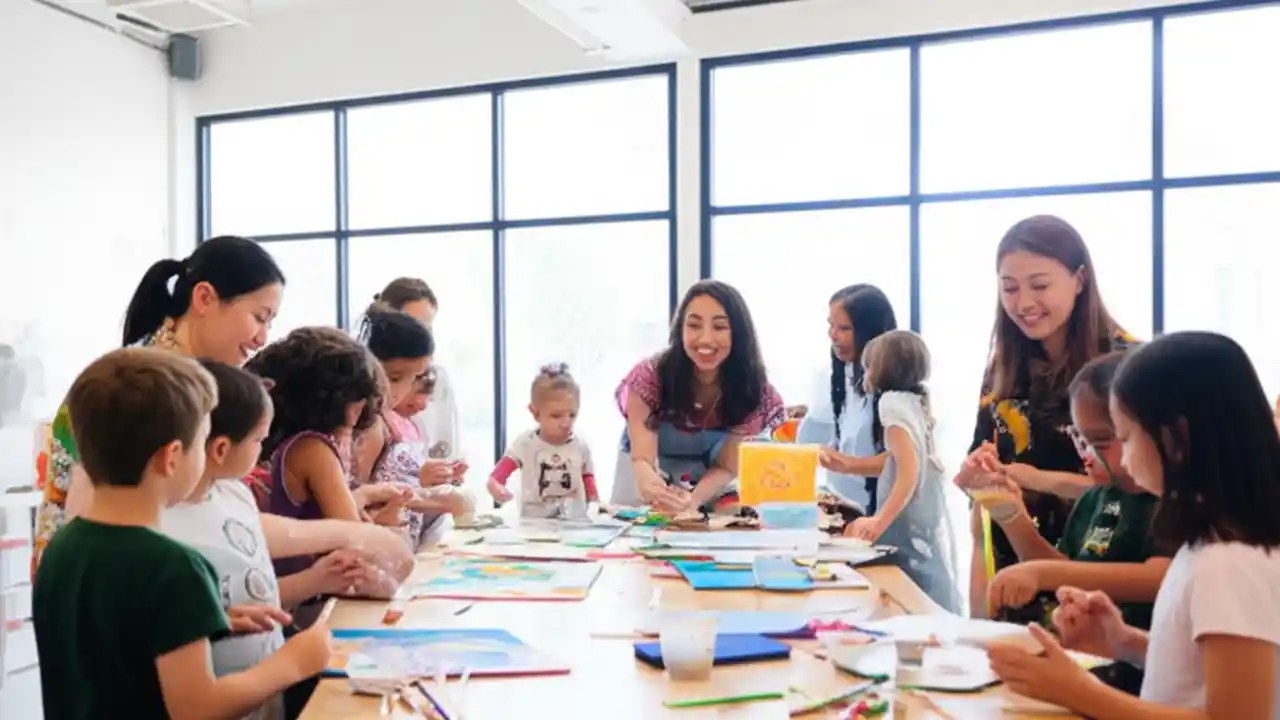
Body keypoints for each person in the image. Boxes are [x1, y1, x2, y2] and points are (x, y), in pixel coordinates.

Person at [988, 332, 1280, 719]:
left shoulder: (1231, 561)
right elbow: (1197, 675)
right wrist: (1125, 642)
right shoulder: (1212, 544)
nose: (1123, 458)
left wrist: (1077, 691)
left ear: (1176, 438)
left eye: (1125, 438)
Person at [34, 348, 331, 720]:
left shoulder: (62, 547)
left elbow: (113, 644)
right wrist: (293, 662)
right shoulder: (175, 566)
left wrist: (206, 624)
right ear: (172, 456)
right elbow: (197, 709)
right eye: (202, 442)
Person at [34, 235, 285, 570]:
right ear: (204, 298)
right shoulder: (140, 384)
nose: (263, 338)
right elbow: (89, 514)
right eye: (259, 317)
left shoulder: (182, 377)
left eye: (270, 323)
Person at [955, 215, 1136, 617]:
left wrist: (1035, 479)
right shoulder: (1003, 369)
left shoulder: (1128, 368)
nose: (1023, 304)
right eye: (1009, 288)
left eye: (1039, 286)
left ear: (1079, 280)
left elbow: (1143, 492)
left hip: (1100, 585)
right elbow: (983, 500)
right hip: (1012, 580)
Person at [980, 351, 1169, 693]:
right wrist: (1010, 514)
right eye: (1081, 440)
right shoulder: (1098, 498)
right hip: (1095, 668)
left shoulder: (1167, 504)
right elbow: (1067, 570)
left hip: (1140, 683)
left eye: (1102, 442)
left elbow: (1157, 578)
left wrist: (1043, 573)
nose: (1087, 455)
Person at [245, 327, 409, 580]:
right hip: (311, 595)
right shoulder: (313, 449)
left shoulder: (290, 449)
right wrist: (390, 528)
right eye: (358, 400)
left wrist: (363, 498)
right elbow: (361, 547)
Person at [612, 280, 785, 513]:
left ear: (739, 333)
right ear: (680, 329)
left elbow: (726, 467)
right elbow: (642, 459)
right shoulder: (649, 376)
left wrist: (691, 503)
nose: (705, 339)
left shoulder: (753, 391)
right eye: (694, 325)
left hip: (711, 475)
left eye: (720, 327)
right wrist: (651, 487)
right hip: (644, 464)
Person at [833, 330, 959, 612]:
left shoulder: (890, 404)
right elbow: (897, 459)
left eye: (868, 367)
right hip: (925, 509)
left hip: (906, 512)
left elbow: (908, 470)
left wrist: (879, 520)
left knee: (907, 579)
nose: (865, 374)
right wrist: (847, 463)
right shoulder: (914, 400)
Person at [352, 307, 472, 547]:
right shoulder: (369, 428)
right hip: (379, 542)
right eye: (395, 377)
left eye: (415, 378)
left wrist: (431, 482)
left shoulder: (393, 421)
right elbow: (357, 497)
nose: (403, 388)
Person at [798, 284, 898, 526]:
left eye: (844, 328)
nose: (833, 335)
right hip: (845, 510)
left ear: (870, 332)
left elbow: (905, 461)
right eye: (830, 325)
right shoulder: (837, 375)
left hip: (887, 517)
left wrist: (847, 465)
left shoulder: (896, 385)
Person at [487, 364, 598, 518]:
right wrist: (495, 484)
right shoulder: (526, 444)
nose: (566, 423)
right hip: (534, 521)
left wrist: (595, 503)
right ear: (535, 412)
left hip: (573, 521)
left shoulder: (580, 446)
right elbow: (501, 471)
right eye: (556, 416)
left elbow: (587, 476)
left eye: (572, 415)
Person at [374, 278, 461, 463]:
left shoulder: (439, 380)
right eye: (396, 378)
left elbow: (446, 448)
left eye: (427, 328)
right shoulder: (366, 397)